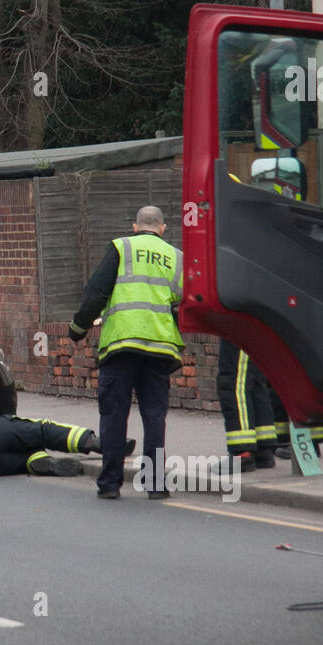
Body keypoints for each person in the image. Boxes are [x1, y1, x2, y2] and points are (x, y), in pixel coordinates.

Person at [69, 205, 183, 500]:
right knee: (155, 417)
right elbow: (183, 303)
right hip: (160, 348)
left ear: (135, 227)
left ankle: (109, 484)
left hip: (121, 345)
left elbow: (96, 292)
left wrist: (78, 328)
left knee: (114, 415)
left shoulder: (121, 247)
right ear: (163, 228)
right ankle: (156, 484)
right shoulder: (176, 257)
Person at [216, 340, 276, 472]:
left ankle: (243, 452)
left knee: (234, 383)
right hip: (252, 326)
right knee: (255, 384)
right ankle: (263, 450)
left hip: (238, 325)